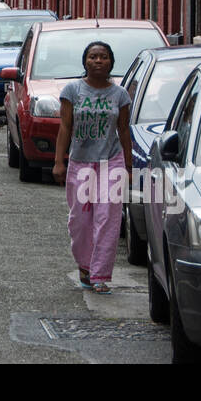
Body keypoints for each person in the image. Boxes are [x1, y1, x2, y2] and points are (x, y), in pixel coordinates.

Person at [52, 41, 132, 294]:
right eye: (93, 57)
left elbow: (123, 130)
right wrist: (58, 161)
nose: (98, 61)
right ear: (85, 61)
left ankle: (99, 275)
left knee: (107, 218)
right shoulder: (73, 91)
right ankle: (84, 266)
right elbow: (65, 127)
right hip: (80, 163)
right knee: (80, 221)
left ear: (111, 62)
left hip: (112, 162)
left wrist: (128, 166)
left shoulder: (120, 95)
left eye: (104, 57)